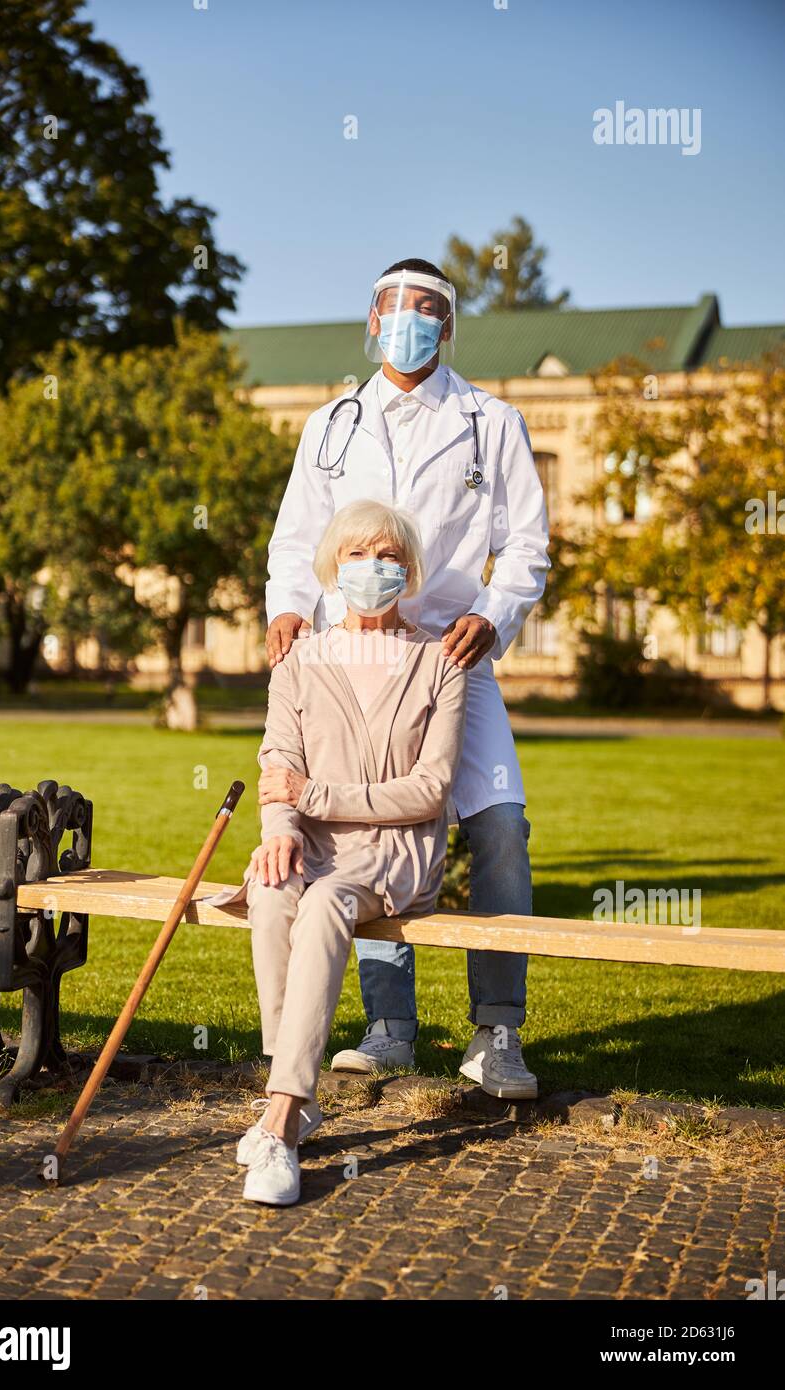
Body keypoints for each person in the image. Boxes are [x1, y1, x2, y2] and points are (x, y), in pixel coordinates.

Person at [264, 258, 550, 1100]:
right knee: (365, 835)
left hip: (455, 655)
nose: (409, 320)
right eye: (395, 306)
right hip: (356, 663)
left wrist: (495, 614)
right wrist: (287, 603)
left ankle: (498, 1031)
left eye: (427, 309)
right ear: (371, 318)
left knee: (500, 828)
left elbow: (527, 544)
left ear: (449, 326)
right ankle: (389, 1028)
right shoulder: (331, 424)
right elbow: (295, 538)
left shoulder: (491, 421)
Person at [216, 500, 466, 1206]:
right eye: (357, 555)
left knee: (323, 903)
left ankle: (283, 1121)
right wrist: (281, 829)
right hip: (316, 845)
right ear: (333, 566)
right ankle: (289, 1092)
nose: (373, 569)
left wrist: (314, 797)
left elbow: (429, 788)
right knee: (268, 893)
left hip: (395, 853)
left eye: (388, 556)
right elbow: (279, 758)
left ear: (408, 570)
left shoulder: (438, 662)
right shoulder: (302, 659)